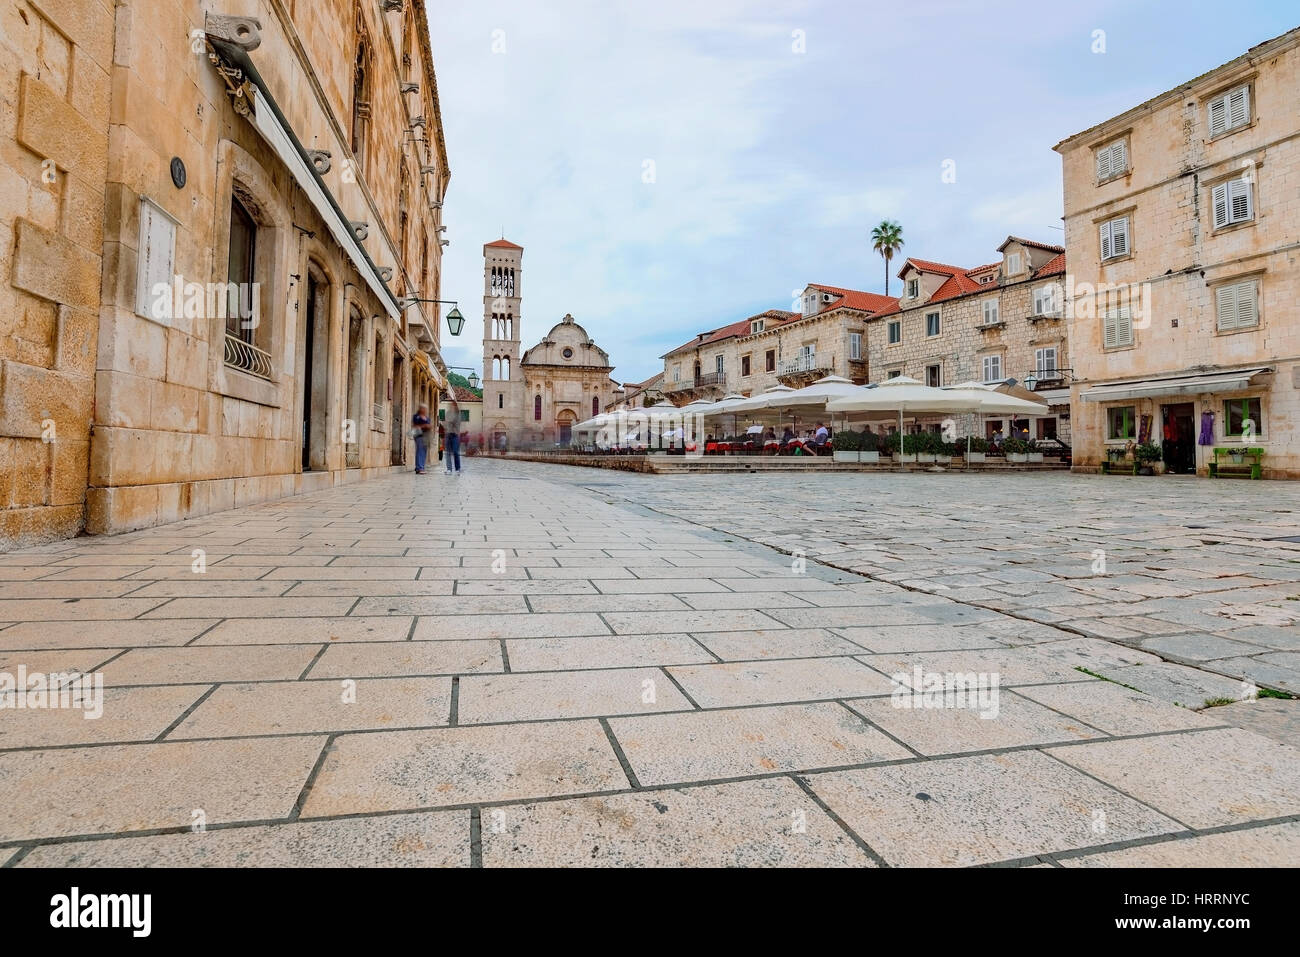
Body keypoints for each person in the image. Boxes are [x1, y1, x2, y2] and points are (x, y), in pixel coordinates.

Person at [411, 404, 432, 474]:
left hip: (426, 436)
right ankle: (419, 468)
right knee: (420, 451)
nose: (425, 410)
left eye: (425, 409)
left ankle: (422, 467)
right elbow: (415, 426)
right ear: (420, 409)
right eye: (423, 409)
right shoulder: (416, 417)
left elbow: (429, 425)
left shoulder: (427, 417)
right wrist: (424, 426)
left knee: (424, 452)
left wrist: (429, 426)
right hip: (419, 435)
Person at [444, 398, 462, 475]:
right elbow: (447, 422)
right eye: (451, 404)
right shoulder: (448, 413)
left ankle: (457, 469)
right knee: (447, 453)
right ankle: (449, 469)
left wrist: (450, 422)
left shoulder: (458, 414)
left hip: (455, 435)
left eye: (453, 405)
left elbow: (455, 422)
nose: (452, 406)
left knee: (455, 452)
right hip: (448, 434)